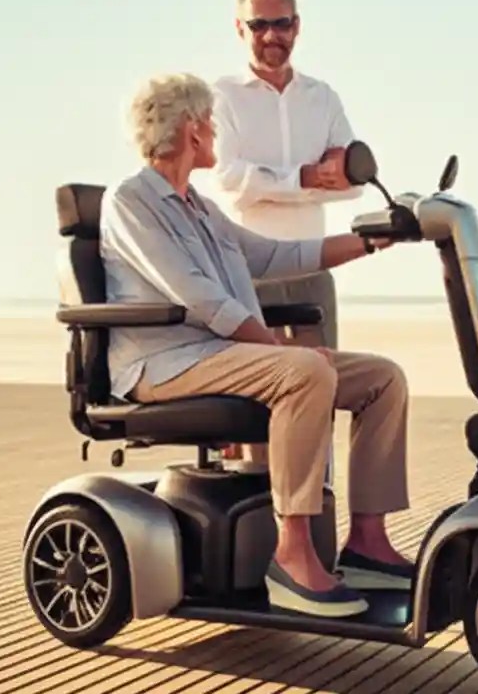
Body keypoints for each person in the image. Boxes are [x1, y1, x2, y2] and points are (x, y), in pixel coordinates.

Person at [99, 72, 413, 618]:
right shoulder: (131, 202)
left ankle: (367, 544)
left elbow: (272, 256)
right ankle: (292, 557)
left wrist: (371, 241)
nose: (216, 130)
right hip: (164, 364)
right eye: (210, 122)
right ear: (192, 130)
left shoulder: (197, 205)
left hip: (220, 356)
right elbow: (200, 298)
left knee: (382, 379)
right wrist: (276, 348)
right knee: (304, 372)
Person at [205, 0, 360, 468]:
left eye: (282, 23)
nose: (272, 35)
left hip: (313, 266)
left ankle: (318, 511)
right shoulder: (221, 97)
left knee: (324, 387)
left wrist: (275, 181)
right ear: (239, 29)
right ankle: (261, 519)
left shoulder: (323, 97)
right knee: (259, 400)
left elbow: (353, 181)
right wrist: (309, 176)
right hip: (248, 271)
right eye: (259, 24)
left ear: (298, 26)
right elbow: (227, 179)